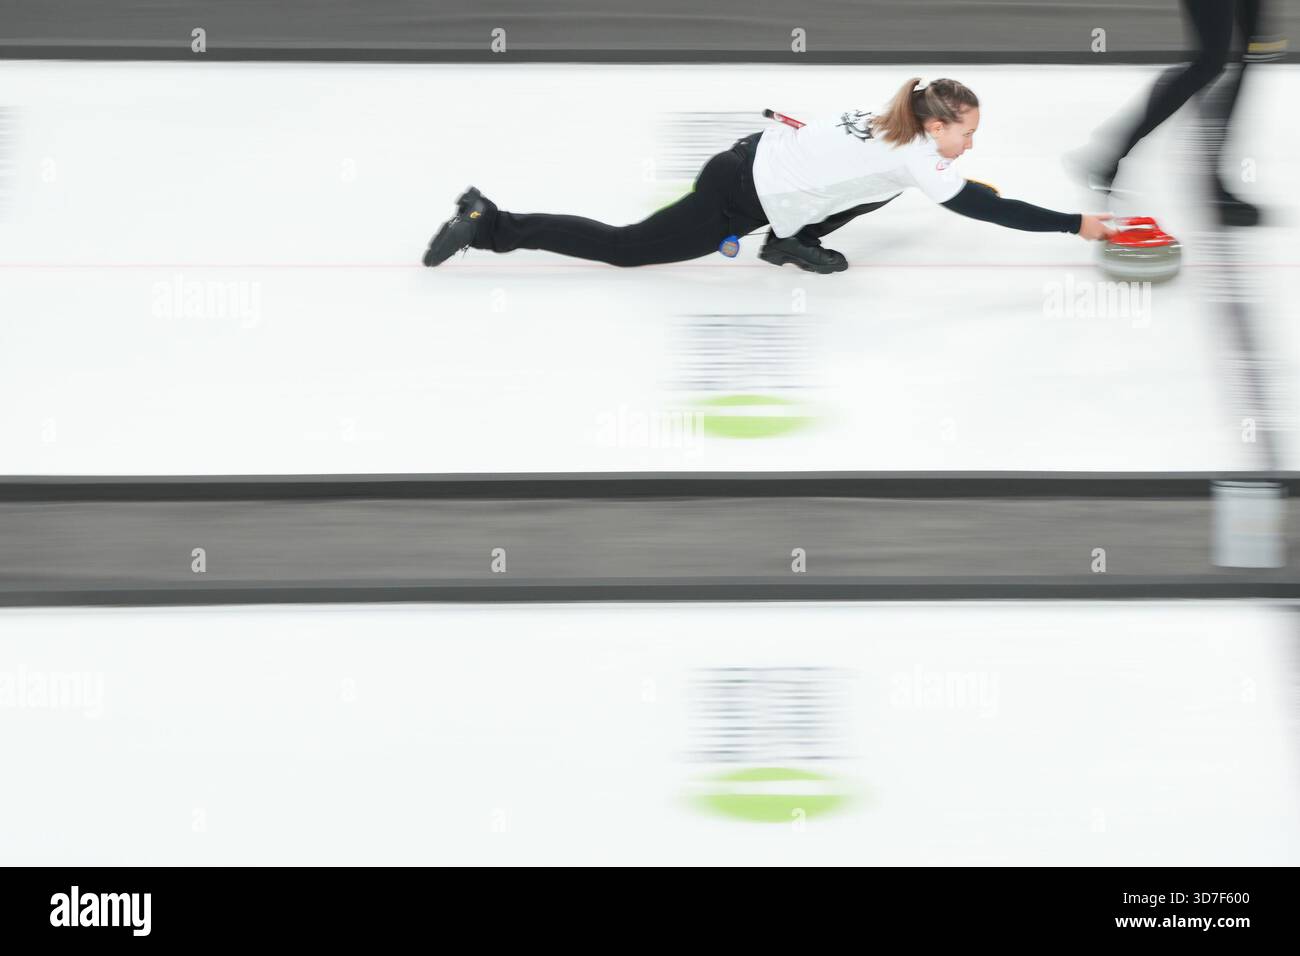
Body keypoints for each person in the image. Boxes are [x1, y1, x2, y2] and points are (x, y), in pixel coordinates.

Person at [422, 78, 1114, 275]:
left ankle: (788, 240)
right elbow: (985, 210)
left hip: (748, 158)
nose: (972, 143)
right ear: (937, 127)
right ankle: (492, 224)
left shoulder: (887, 121)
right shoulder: (916, 156)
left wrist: (958, 183)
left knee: (873, 189)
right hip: (736, 195)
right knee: (628, 249)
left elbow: (875, 171)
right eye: (968, 133)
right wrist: (1074, 223)